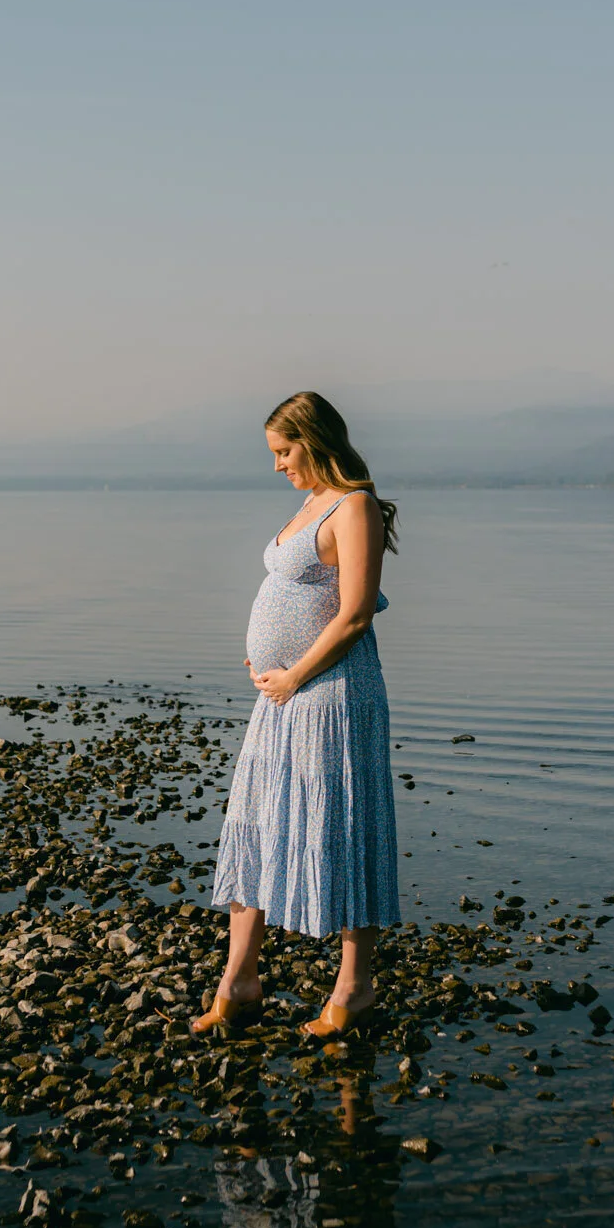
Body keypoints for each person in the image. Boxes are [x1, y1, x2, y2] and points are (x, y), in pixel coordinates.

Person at [200, 391, 400, 1040]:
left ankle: (354, 990)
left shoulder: (354, 506)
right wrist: (270, 658)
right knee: (256, 822)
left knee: (342, 826)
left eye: (285, 451)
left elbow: (356, 613)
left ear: (314, 441)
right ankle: (239, 983)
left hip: (331, 694)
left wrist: (293, 671)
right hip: (285, 694)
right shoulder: (310, 503)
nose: (278, 464)